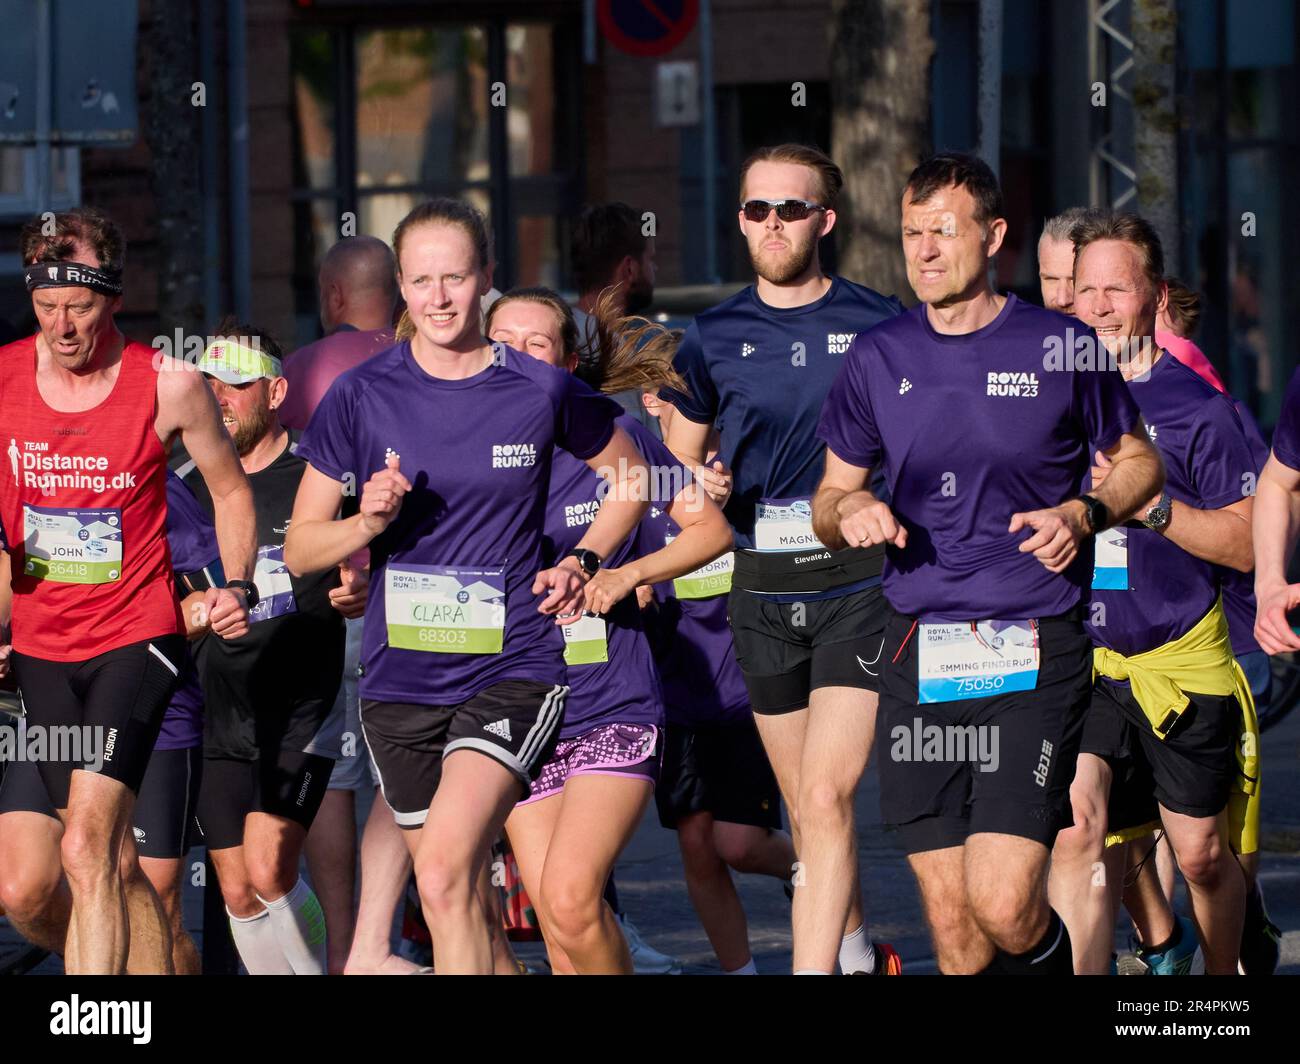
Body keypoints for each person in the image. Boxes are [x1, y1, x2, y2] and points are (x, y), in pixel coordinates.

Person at [285, 197, 655, 974]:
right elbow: (298, 548)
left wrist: (586, 560)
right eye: (421, 281)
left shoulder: (536, 389)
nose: (439, 298)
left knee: (448, 870)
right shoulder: (362, 394)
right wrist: (365, 524)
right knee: (457, 903)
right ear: (401, 286)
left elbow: (629, 476)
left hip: (510, 669)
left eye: (455, 278)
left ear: (485, 279)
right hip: (399, 685)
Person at [814, 154, 1163, 975]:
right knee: (953, 919)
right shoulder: (878, 356)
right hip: (918, 657)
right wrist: (848, 513)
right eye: (911, 232)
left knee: (1005, 901)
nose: (925, 250)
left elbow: (1139, 461)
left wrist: (1085, 512)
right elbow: (829, 496)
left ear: (994, 236)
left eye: (944, 229)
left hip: (1031, 652)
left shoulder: (1061, 345)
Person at [659, 143, 903, 975]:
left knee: (828, 796)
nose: (772, 224)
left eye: (790, 209)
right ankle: (858, 953)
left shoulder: (879, 322)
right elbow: (680, 467)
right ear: (739, 219)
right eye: (756, 209)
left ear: (824, 220)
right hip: (761, 582)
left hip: (858, 582)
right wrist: (705, 481)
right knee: (806, 807)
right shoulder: (713, 334)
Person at [0, 207, 255, 974]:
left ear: (112, 297)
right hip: (45, 647)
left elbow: (232, 492)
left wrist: (236, 582)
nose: (62, 326)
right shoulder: (5, 377)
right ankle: (168, 968)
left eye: (78, 307)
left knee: (82, 842)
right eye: (47, 307)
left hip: (137, 638)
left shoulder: (167, 383)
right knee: (103, 861)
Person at [485, 287, 731, 974]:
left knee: (568, 896)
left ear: (566, 361)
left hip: (609, 704)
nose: (518, 357)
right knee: (564, 931)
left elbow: (711, 530)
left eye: (537, 345)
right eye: (503, 341)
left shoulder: (618, 444)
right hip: (515, 711)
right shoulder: (459, 450)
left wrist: (626, 576)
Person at [1061, 211, 1257, 976]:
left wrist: (1152, 508)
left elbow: (1244, 542)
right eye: (1086, 290)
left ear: (1156, 297)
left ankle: (1215, 992)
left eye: (1118, 288)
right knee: (1079, 832)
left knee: (1203, 857)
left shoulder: (1198, 408)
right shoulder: (1046, 400)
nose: (1101, 305)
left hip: (1178, 660)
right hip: (1085, 661)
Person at [0, 471, 221, 975]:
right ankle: (108, 964)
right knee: (23, 887)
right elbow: (11, 566)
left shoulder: (145, 473)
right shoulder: (25, 465)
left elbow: (209, 593)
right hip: (55, 699)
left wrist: (126, 630)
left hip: (148, 710)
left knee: (140, 889)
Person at [180, 322, 347, 975]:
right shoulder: (185, 482)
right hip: (218, 714)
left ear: (276, 390)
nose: (221, 397)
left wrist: (360, 584)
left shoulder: (320, 473)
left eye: (238, 385)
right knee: (234, 890)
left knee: (272, 866)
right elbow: (165, 594)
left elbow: (376, 556)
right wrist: (194, 611)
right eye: (210, 384)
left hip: (304, 707)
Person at [279, 235, 414, 975]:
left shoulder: (302, 372)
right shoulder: (422, 362)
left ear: (333, 296)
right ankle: (390, 940)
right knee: (413, 771)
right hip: (418, 604)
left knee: (333, 775)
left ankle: (341, 951)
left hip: (330, 596)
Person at [639, 388, 798, 975]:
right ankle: (741, 971)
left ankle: (815, 869)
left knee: (740, 843)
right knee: (698, 847)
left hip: (747, 692)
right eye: (682, 396)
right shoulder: (636, 483)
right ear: (651, 402)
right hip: (674, 694)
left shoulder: (743, 471)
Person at [570, 203, 659, 433]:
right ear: (629, 269)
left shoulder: (556, 331)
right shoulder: (609, 348)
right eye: (650, 259)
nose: (654, 269)